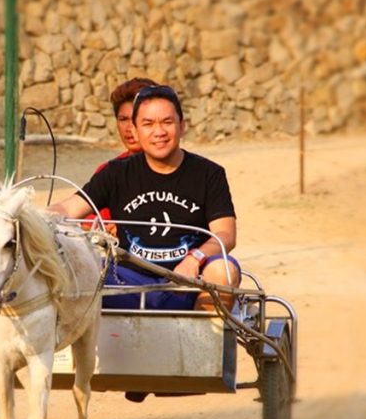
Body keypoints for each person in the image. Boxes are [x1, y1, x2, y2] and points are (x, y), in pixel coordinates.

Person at [51, 85, 241, 312]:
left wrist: (195, 258)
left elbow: (225, 234)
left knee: (223, 272)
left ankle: (199, 343)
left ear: (182, 125)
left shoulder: (209, 173)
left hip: (189, 281)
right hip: (126, 280)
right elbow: (68, 208)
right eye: (148, 124)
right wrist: (28, 216)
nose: (158, 132)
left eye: (167, 122)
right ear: (136, 129)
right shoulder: (116, 173)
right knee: (68, 271)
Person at [84, 77, 158, 234]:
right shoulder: (110, 172)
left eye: (138, 119)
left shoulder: (190, 170)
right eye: (123, 119)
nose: (130, 128)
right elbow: (86, 222)